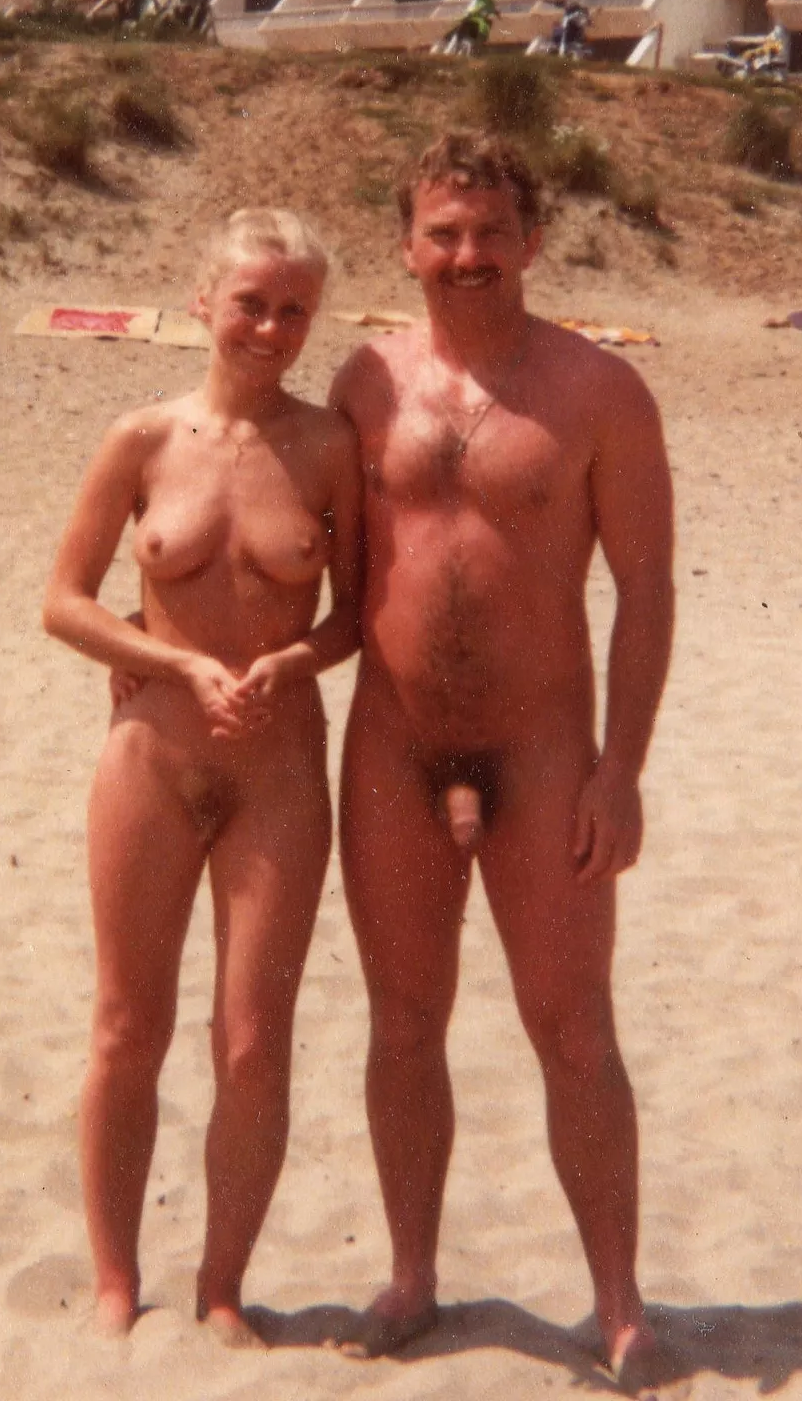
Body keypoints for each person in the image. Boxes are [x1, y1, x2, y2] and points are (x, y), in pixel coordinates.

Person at [328, 131, 674, 1385]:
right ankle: (412, 1273)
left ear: (530, 240)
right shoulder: (363, 381)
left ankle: (617, 1299)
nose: (465, 253)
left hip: (543, 754)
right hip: (393, 748)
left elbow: (644, 586)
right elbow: (308, 557)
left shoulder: (599, 390)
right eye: (442, 231)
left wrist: (619, 769)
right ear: (405, 247)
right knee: (401, 1019)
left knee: (572, 1025)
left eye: (488, 231)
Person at [42, 210, 362, 1348]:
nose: (270, 329)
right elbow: (63, 601)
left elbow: (356, 612)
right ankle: (114, 1279)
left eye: (293, 311)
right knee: (126, 1026)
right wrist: (171, 658)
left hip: (277, 770)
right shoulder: (140, 439)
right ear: (202, 302)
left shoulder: (328, 447)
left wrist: (291, 657)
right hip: (152, 759)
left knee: (252, 1040)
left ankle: (222, 1284)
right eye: (250, 304)